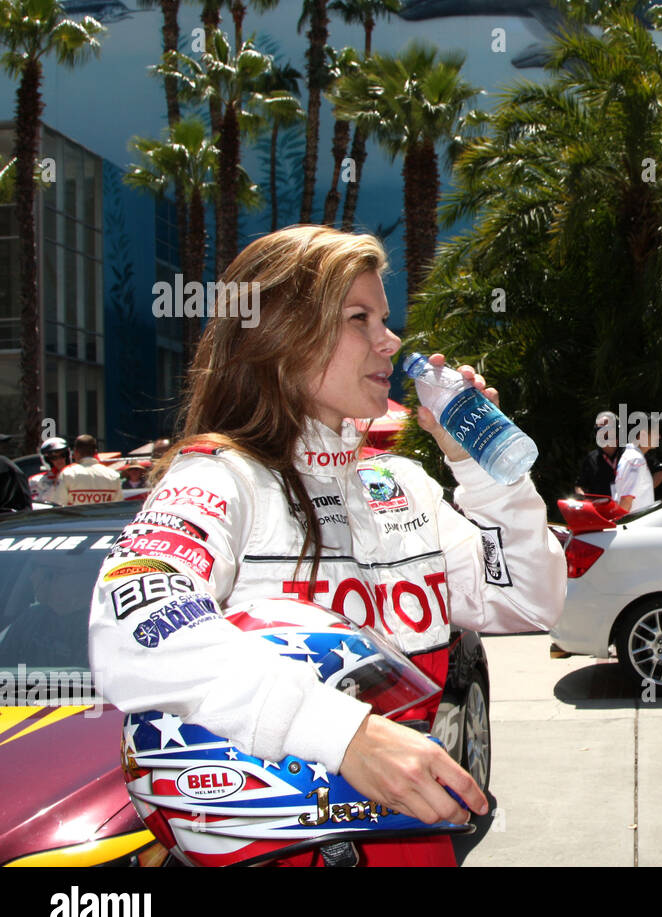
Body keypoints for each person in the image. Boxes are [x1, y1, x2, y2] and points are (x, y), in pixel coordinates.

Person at [88, 225, 566, 866]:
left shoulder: (398, 482)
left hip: (413, 837)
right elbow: (134, 622)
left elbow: (531, 603)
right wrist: (347, 737)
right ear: (280, 338)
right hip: (286, 848)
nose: (390, 342)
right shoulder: (219, 477)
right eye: (359, 318)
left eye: (386, 320)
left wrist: (484, 471)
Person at [51, 434, 125, 505]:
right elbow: (118, 507)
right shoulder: (113, 475)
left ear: (75, 452)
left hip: (76, 517)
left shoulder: (67, 474)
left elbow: (59, 504)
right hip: (104, 518)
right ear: (95, 452)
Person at [574, 410, 622, 498]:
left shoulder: (629, 454)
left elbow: (655, 471)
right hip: (601, 509)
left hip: (630, 508)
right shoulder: (591, 459)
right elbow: (579, 486)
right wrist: (583, 498)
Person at [612, 424, 656, 513]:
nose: (659, 436)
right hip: (637, 523)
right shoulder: (636, 460)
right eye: (656, 433)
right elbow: (626, 499)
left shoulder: (630, 456)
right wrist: (621, 525)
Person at [31, 436, 70, 503]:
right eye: (54, 457)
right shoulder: (35, 481)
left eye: (62, 455)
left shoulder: (76, 476)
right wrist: (55, 483)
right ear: (47, 460)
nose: (59, 460)